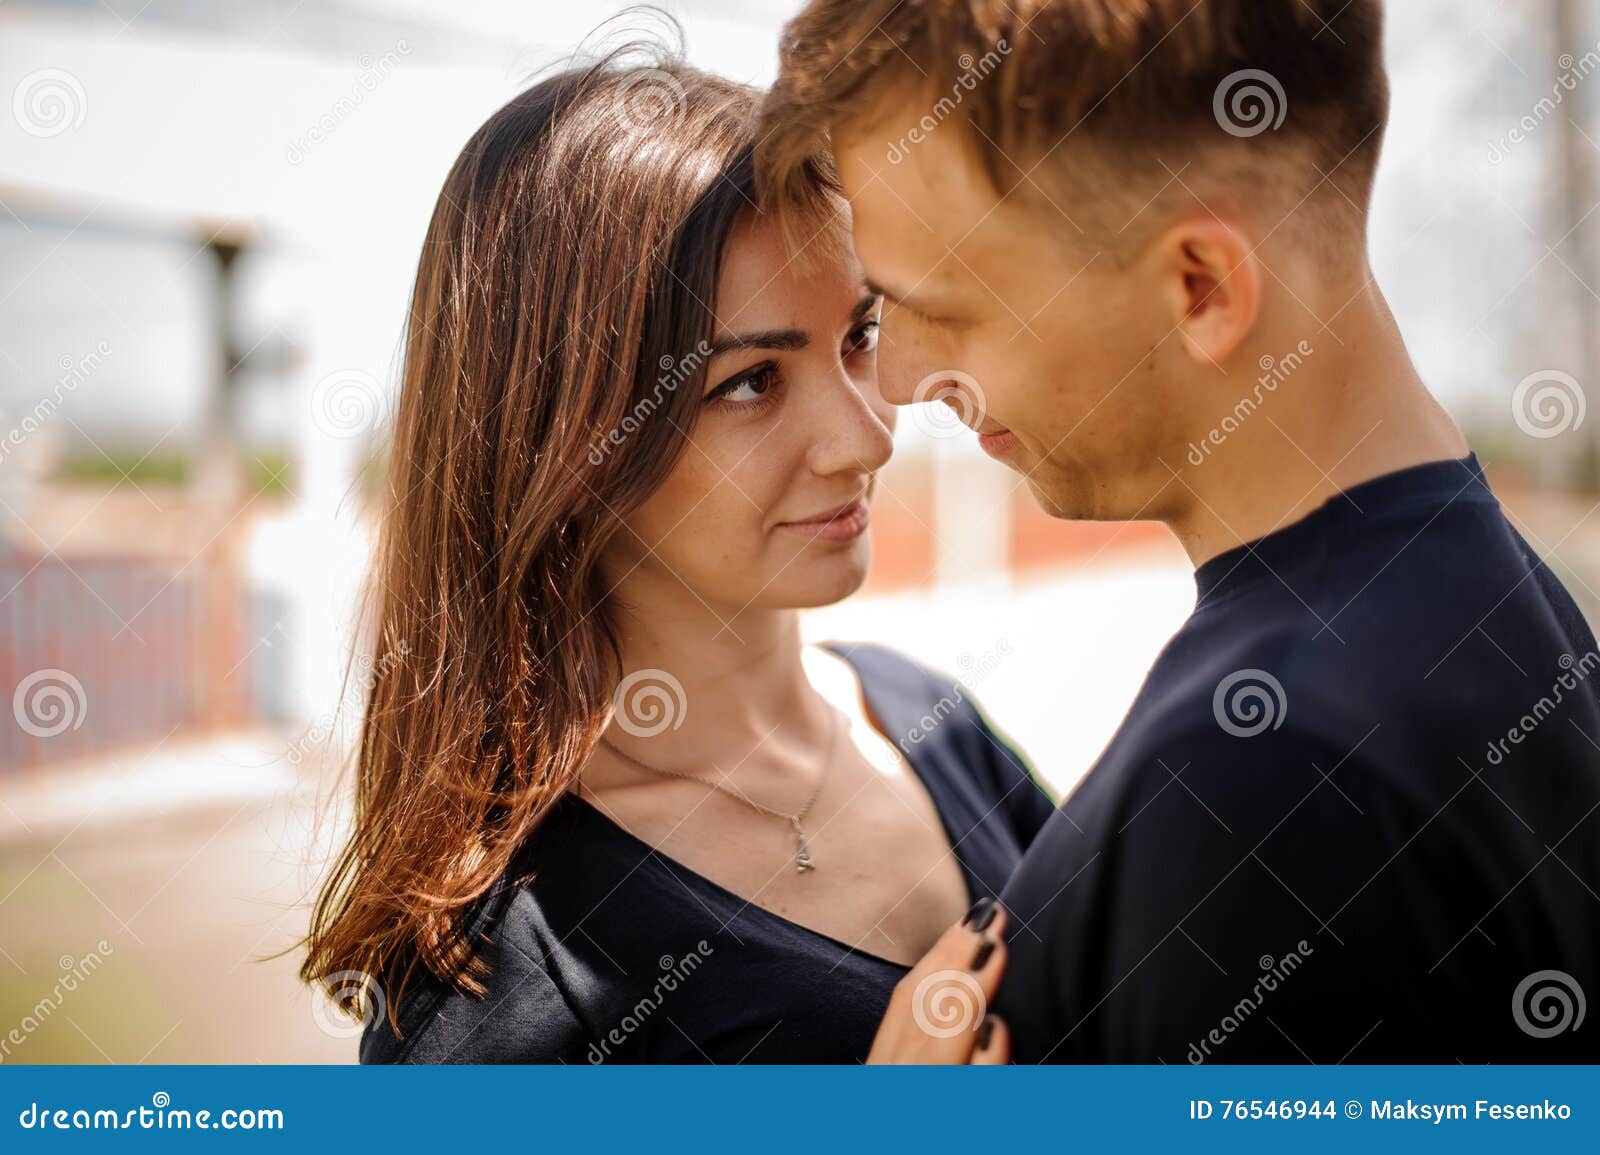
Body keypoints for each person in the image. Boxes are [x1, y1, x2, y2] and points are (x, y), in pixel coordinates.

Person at [760, 0, 1600, 1061]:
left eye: (946, 309)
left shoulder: (1266, 781)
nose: (900, 382)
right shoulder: (1488, 604)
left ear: (1200, 286)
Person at [300, 57, 1052, 1064]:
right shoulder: (501, 980)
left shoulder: (927, 720)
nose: (867, 437)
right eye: (749, 382)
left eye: (860, 334)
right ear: (562, 442)